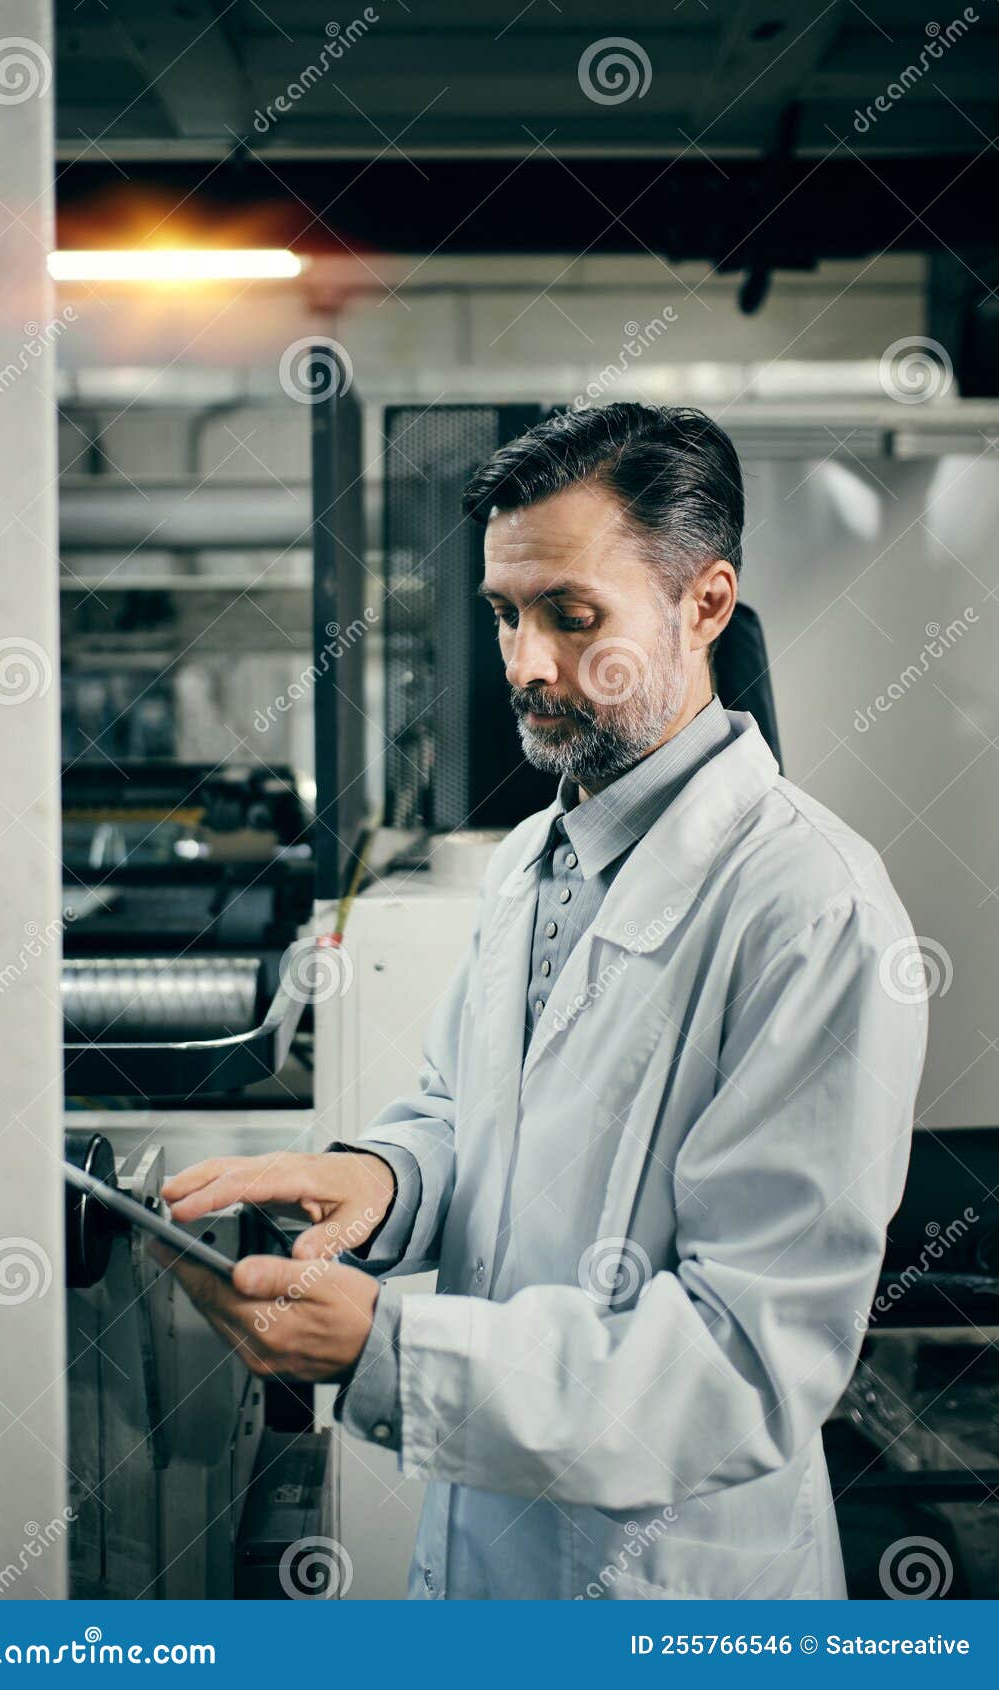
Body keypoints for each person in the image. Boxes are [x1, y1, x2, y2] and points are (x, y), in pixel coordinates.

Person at [157, 404, 926, 1600]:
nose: (522, 662)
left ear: (704, 603)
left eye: (571, 616)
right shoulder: (530, 856)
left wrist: (386, 1352)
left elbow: (745, 1363)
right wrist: (388, 1176)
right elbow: (463, 1111)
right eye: (506, 615)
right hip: (488, 1559)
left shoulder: (810, 905)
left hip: (670, 1588)